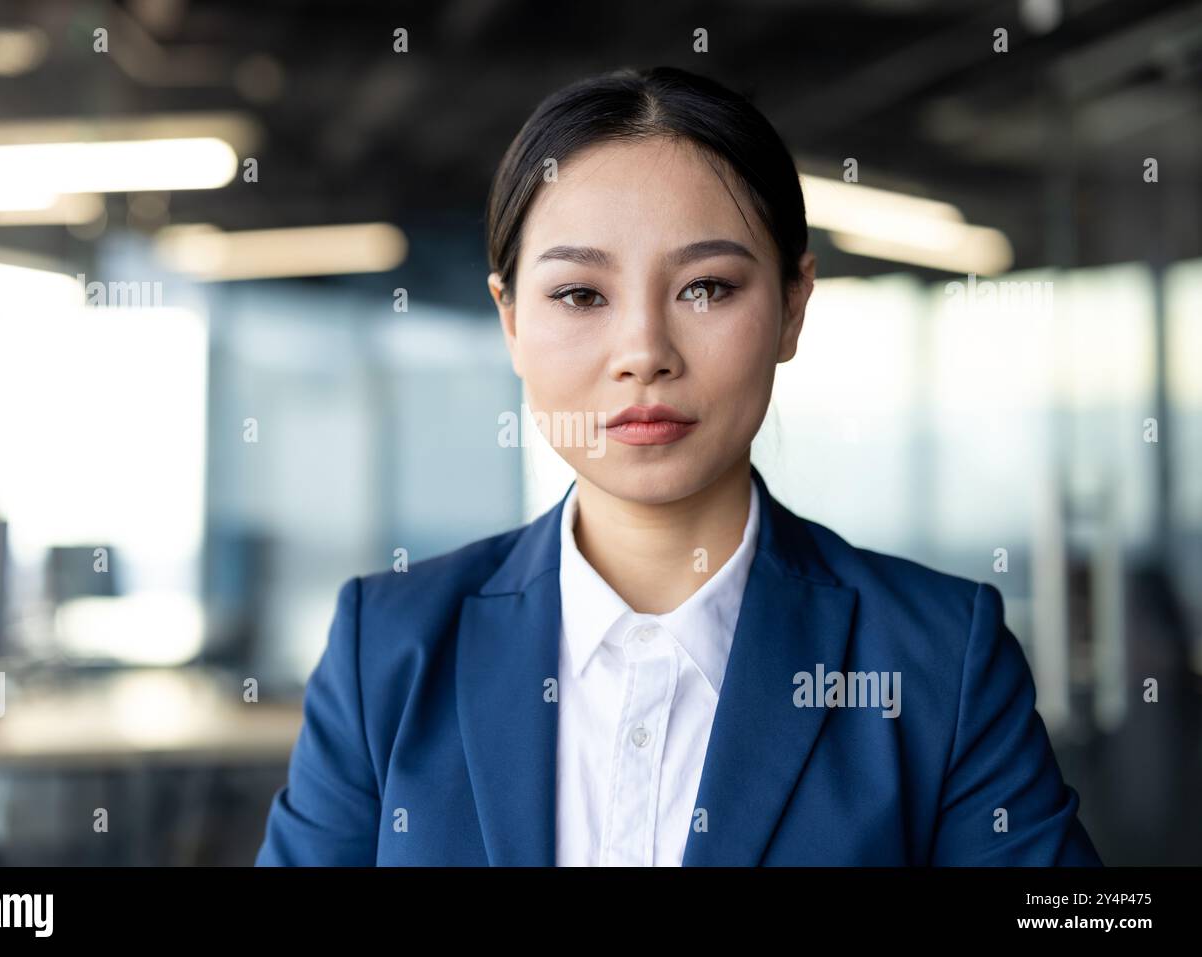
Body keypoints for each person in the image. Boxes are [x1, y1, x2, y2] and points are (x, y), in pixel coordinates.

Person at [256, 65, 1101, 866]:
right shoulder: (388, 649)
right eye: (581, 295)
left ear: (792, 309)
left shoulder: (936, 659)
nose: (644, 353)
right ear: (510, 321)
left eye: (705, 288)